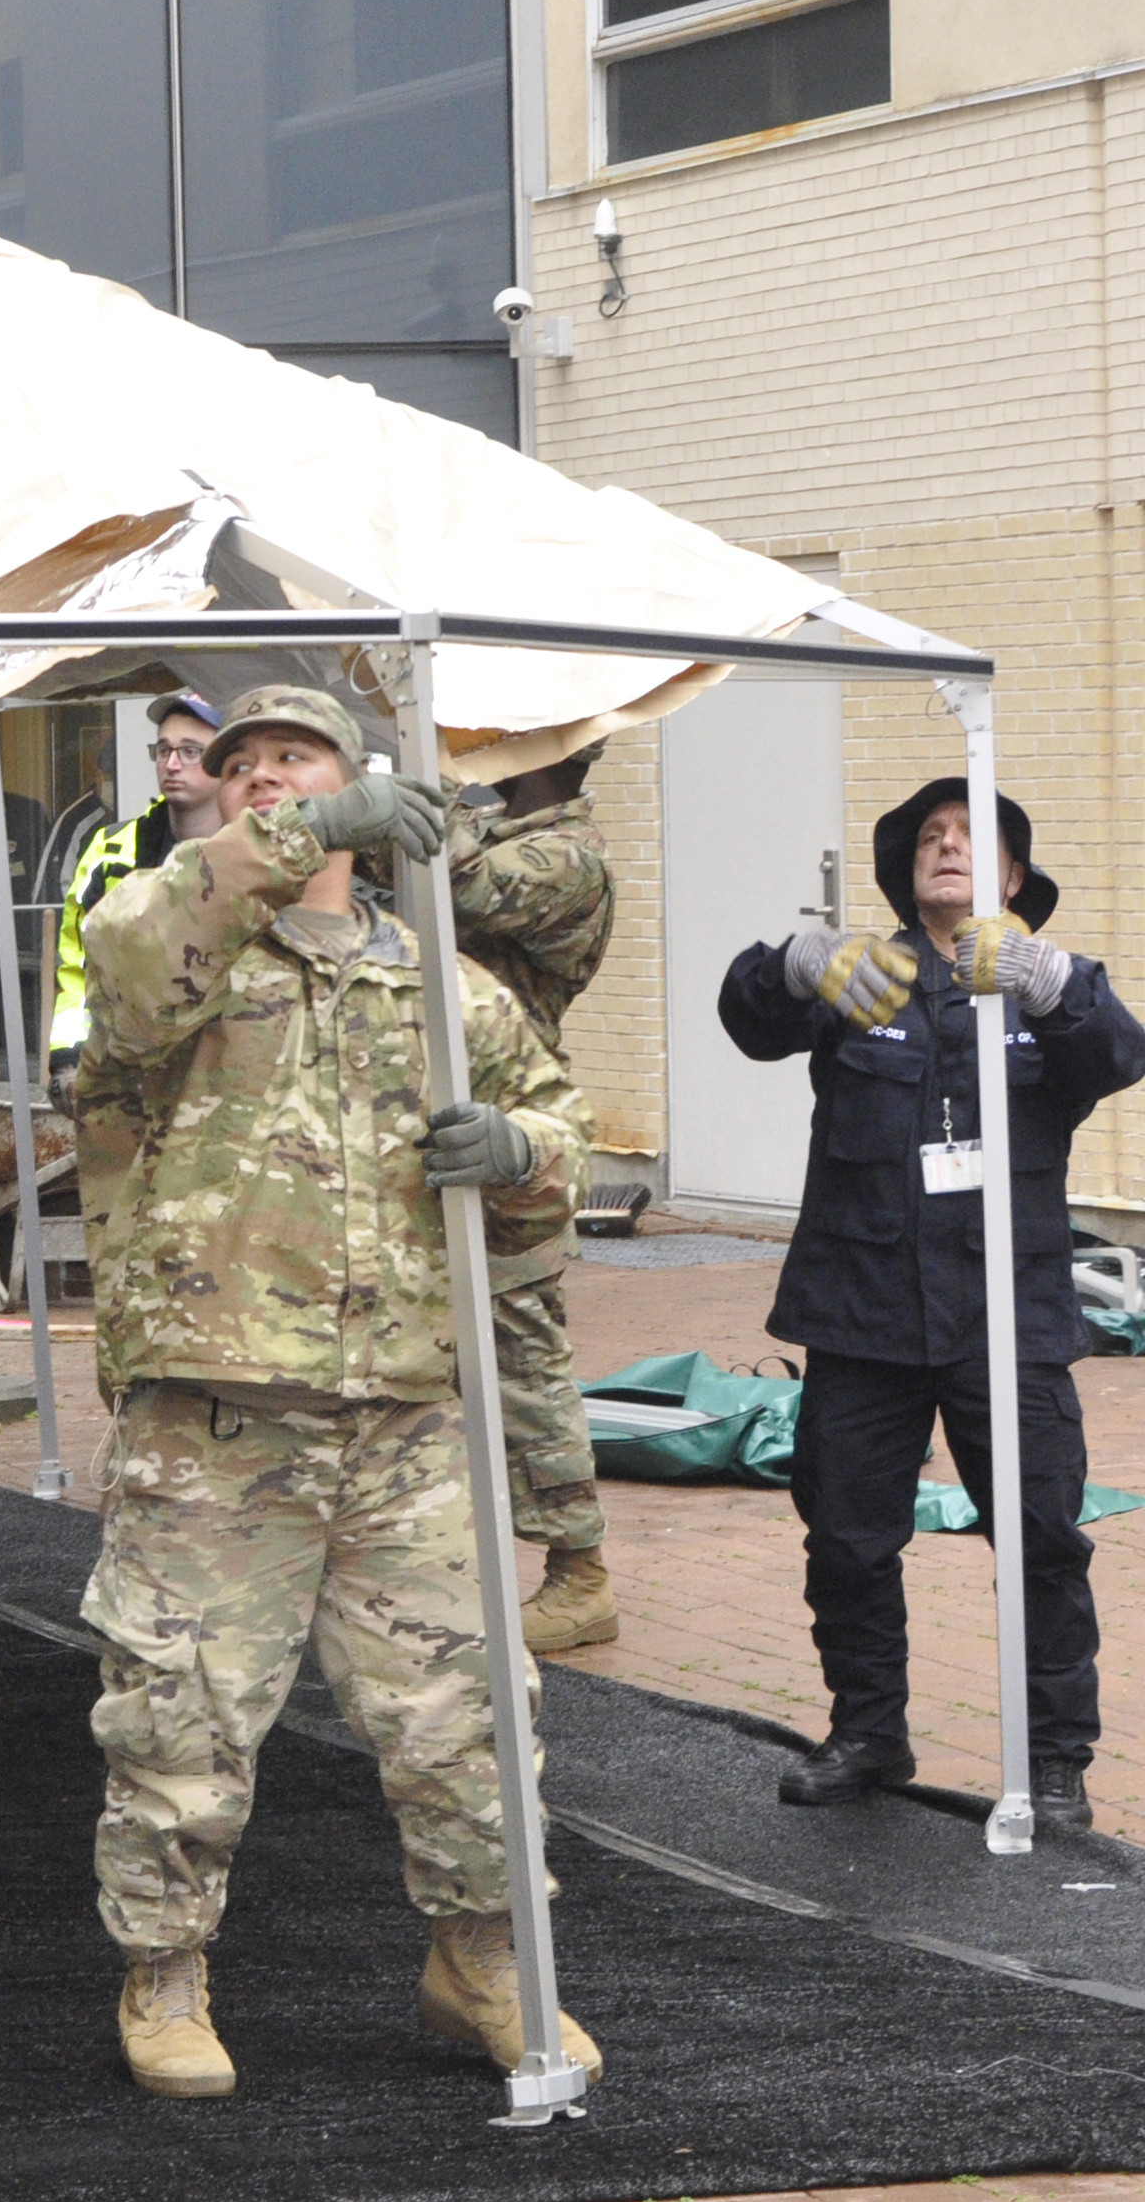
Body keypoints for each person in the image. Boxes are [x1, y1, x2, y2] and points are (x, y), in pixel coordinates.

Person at [68, 686, 595, 2101]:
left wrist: (521, 1152)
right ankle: (165, 1973)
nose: (257, 784)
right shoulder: (178, 961)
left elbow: (564, 1136)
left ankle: (482, 1957)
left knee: (467, 1714)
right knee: (182, 1715)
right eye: (236, 769)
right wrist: (301, 833)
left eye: (291, 763)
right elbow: (127, 957)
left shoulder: (442, 988)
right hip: (220, 1415)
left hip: (414, 1414)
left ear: (368, 791)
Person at [723, 780, 1145, 1829]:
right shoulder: (862, 979)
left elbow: (1120, 1054)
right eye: (929, 837)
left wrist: (1049, 982)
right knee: (847, 1537)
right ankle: (869, 1729)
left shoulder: (1048, 991)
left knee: (1042, 1539)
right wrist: (791, 963)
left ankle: (1054, 1762)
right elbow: (747, 1021)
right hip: (862, 1309)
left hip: (1007, 1313)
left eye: (971, 839)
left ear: (1011, 877)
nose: (947, 847)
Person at [450, 755, 620, 1655]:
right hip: (431, 1114)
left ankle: (579, 1573)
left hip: (516, 1127)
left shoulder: (567, 856)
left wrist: (418, 791)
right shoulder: (500, 828)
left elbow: (462, 889)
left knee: (522, 1353)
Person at [46, 692, 221, 1067]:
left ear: (227, 761)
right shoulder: (112, 850)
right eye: (163, 750)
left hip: (226, 1074)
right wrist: (67, 1055)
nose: (172, 764)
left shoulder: (259, 854)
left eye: (191, 751)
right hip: (124, 1074)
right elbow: (77, 966)